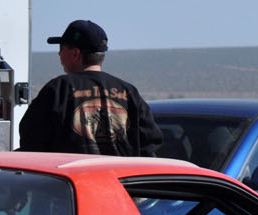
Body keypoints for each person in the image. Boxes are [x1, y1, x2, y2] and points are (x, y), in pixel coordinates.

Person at [18, 19, 162, 157]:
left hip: (74, 179)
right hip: (120, 180)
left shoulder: (58, 89)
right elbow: (149, 143)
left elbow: (31, 139)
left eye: (61, 48)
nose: (59, 53)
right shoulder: (128, 91)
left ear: (75, 54)